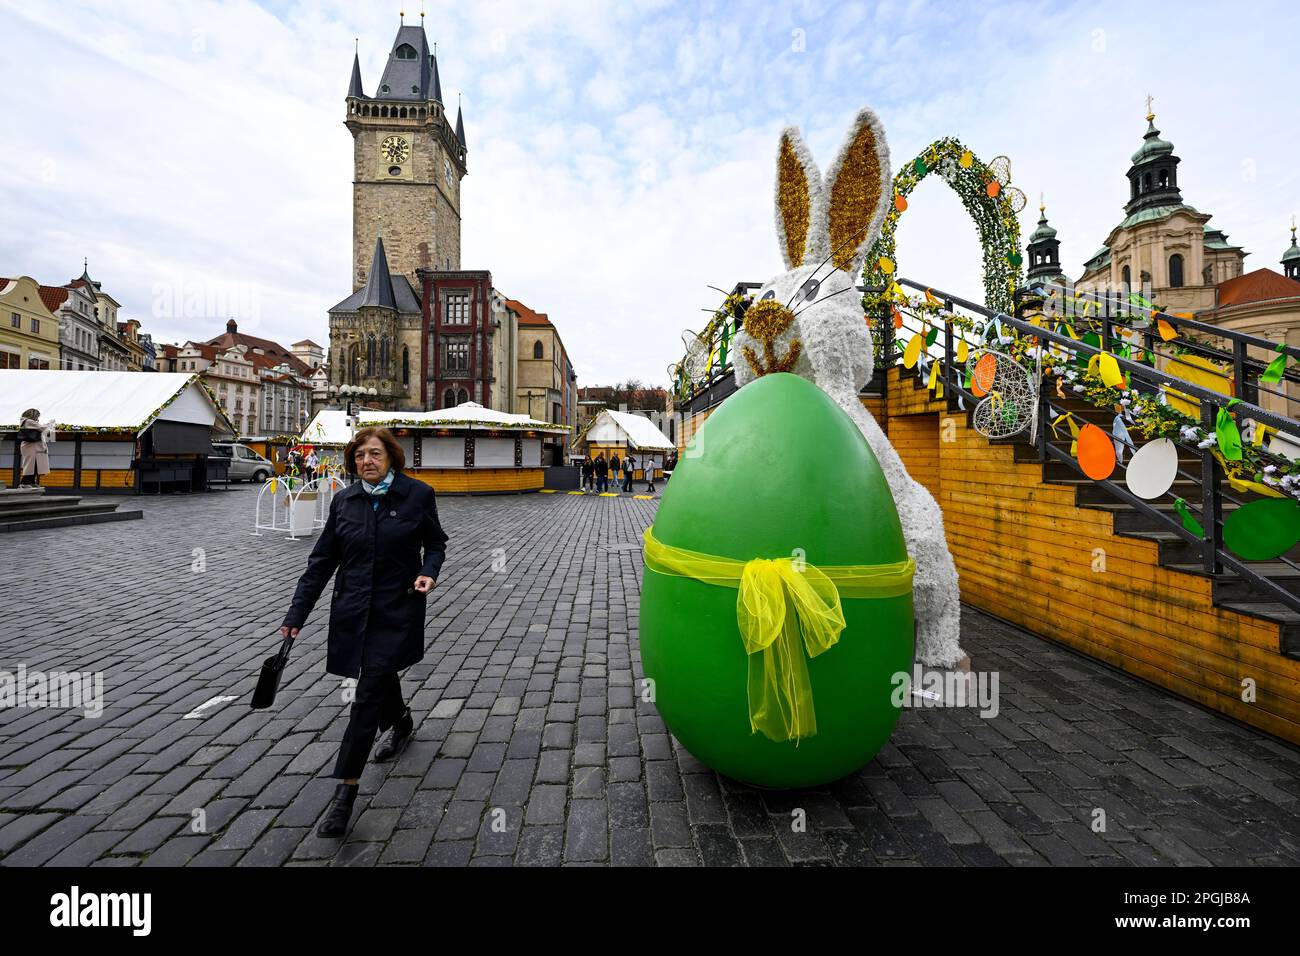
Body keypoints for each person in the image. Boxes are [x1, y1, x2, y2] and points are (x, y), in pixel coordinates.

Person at [279, 426, 448, 838]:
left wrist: (428, 573)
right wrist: (295, 615)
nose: (366, 462)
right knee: (379, 674)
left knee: (367, 693)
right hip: (354, 611)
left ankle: (345, 793)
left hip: (397, 608)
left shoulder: (417, 495)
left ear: (391, 457)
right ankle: (403, 723)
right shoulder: (344, 501)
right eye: (358, 456)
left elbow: (436, 543)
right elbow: (320, 563)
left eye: (374, 454)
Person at [17, 408, 50, 488]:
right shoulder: (29, 421)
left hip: (32, 446)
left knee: (34, 465)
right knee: (30, 465)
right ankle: (24, 483)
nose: (38, 417)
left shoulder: (26, 421)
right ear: (33, 415)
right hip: (31, 446)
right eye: (37, 415)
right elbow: (44, 429)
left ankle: (31, 482)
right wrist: (49, 425)